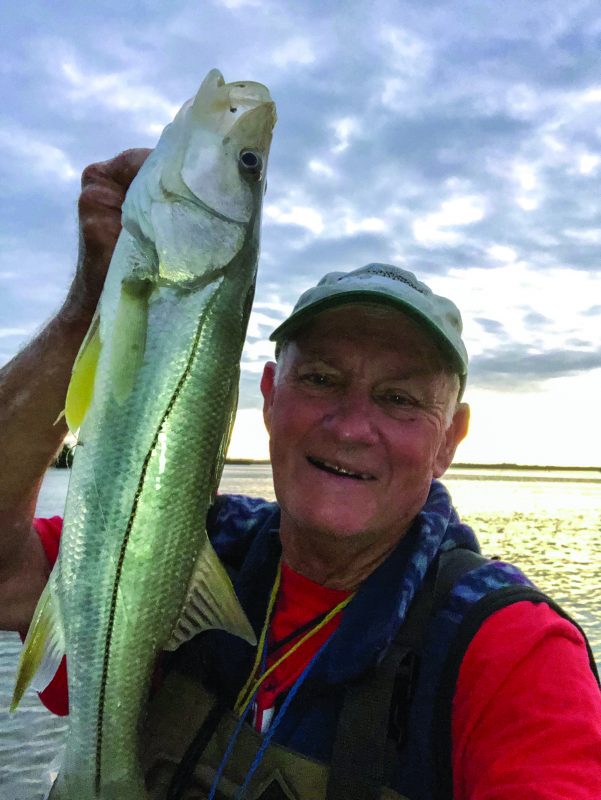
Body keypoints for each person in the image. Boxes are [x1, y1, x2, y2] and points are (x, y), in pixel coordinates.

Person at [0, 149, 600, 800]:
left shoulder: (514, 656)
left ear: (448, 440)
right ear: (268, 397)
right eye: (320, 379)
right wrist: (89, 311)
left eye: (398, 399)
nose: (349, 426)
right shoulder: (180, 542)